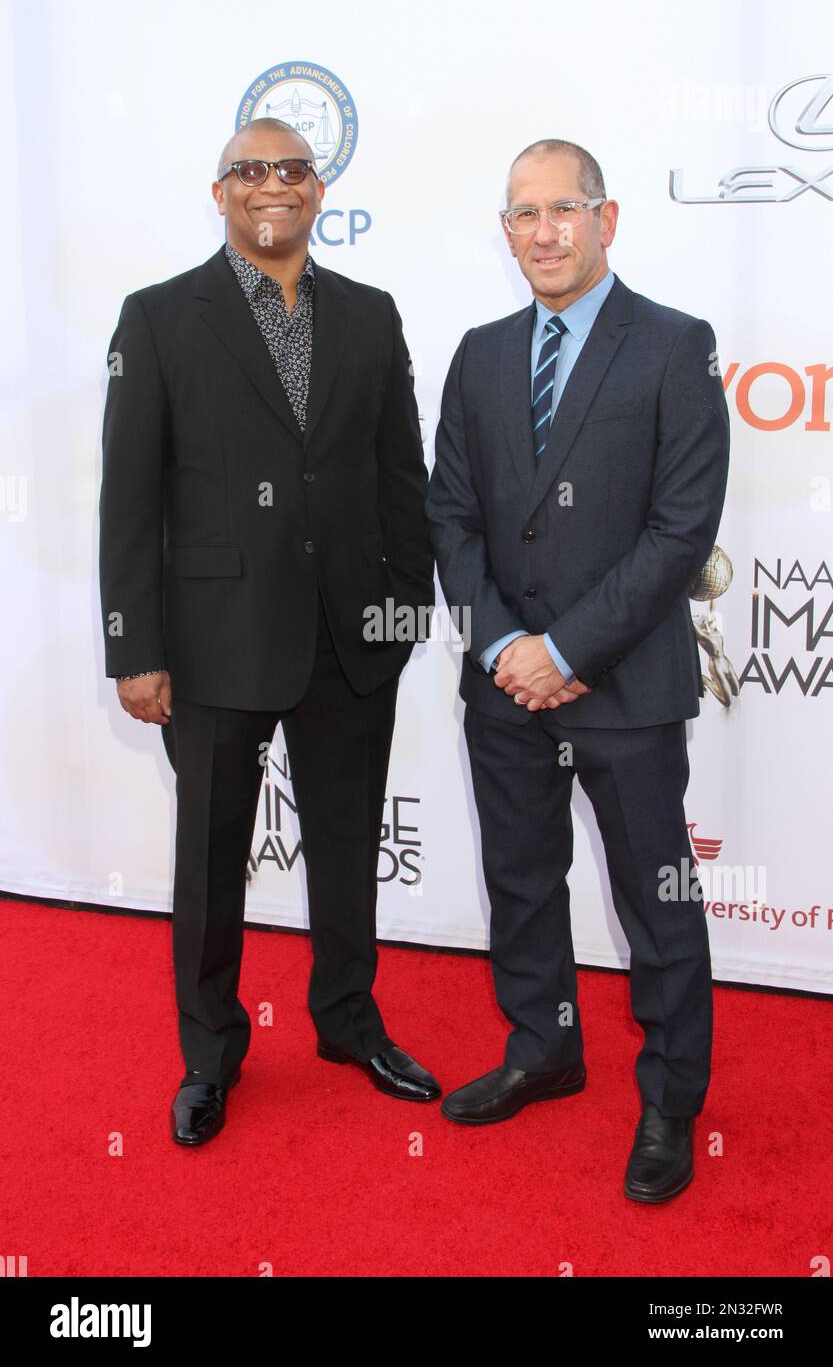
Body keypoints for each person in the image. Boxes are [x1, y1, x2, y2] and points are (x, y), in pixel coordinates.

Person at [99, 117, 440, 1147]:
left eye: (291, 169)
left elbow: (398, 475)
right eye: (249, 170)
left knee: (346, 843)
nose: (272, 186)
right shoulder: (157, 318)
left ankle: (347, 1020)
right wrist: (134, 646)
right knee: (210, 859)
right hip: (212, 639)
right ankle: (209, 1054)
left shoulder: (371, 316)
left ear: (318, 188)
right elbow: (130, 495)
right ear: (219, 194)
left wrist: (404, 603)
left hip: (349, 631)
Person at [425, 138, 730, 1202]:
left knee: (654, 897)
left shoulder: (673, 346)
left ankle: (669, 1100)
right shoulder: (477, 351)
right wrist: (507, 646)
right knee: (519, 878)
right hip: (501, 683)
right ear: (503, 231)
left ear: (608, 218)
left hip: (623, 683)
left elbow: (679, 529)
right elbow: (450, 516)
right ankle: (542, 1048)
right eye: (522, 213)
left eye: (565, 208)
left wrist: (565, 650)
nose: (543, 231)